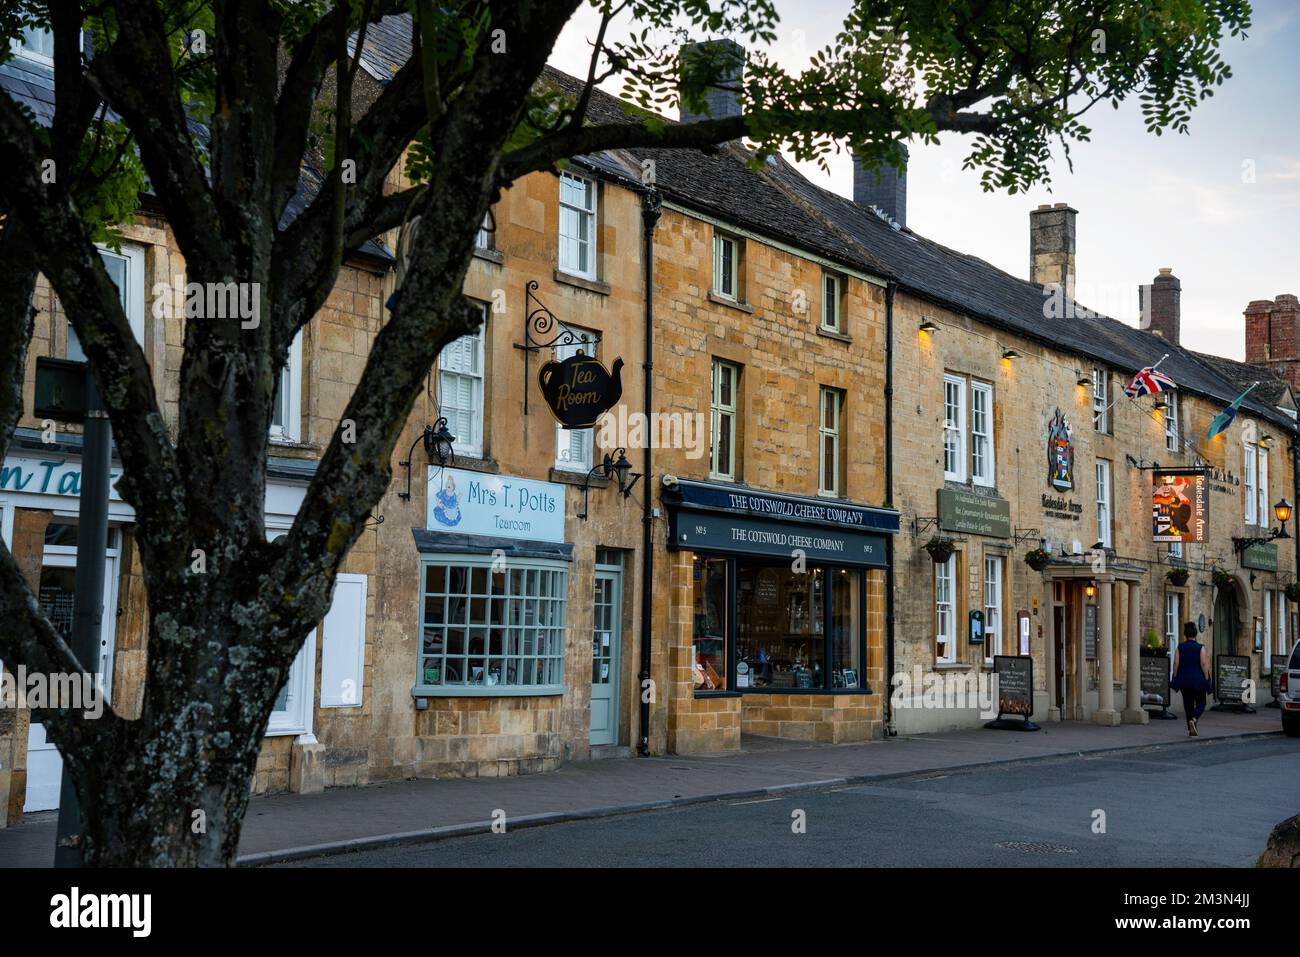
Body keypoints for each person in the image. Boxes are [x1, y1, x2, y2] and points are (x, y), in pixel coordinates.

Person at [1170, 621, 1212, 736]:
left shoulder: (1180, 648)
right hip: (1198, 681)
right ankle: (1194, 720)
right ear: (1195, 634)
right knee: (1202, 703)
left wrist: (1175, 675)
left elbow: (1175, 663)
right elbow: (1203, 664)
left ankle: (1191, 729)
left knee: (1188, 705)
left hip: (1185, 681)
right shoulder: (1200, 648)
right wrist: (1207, 678)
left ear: (1185, 634)